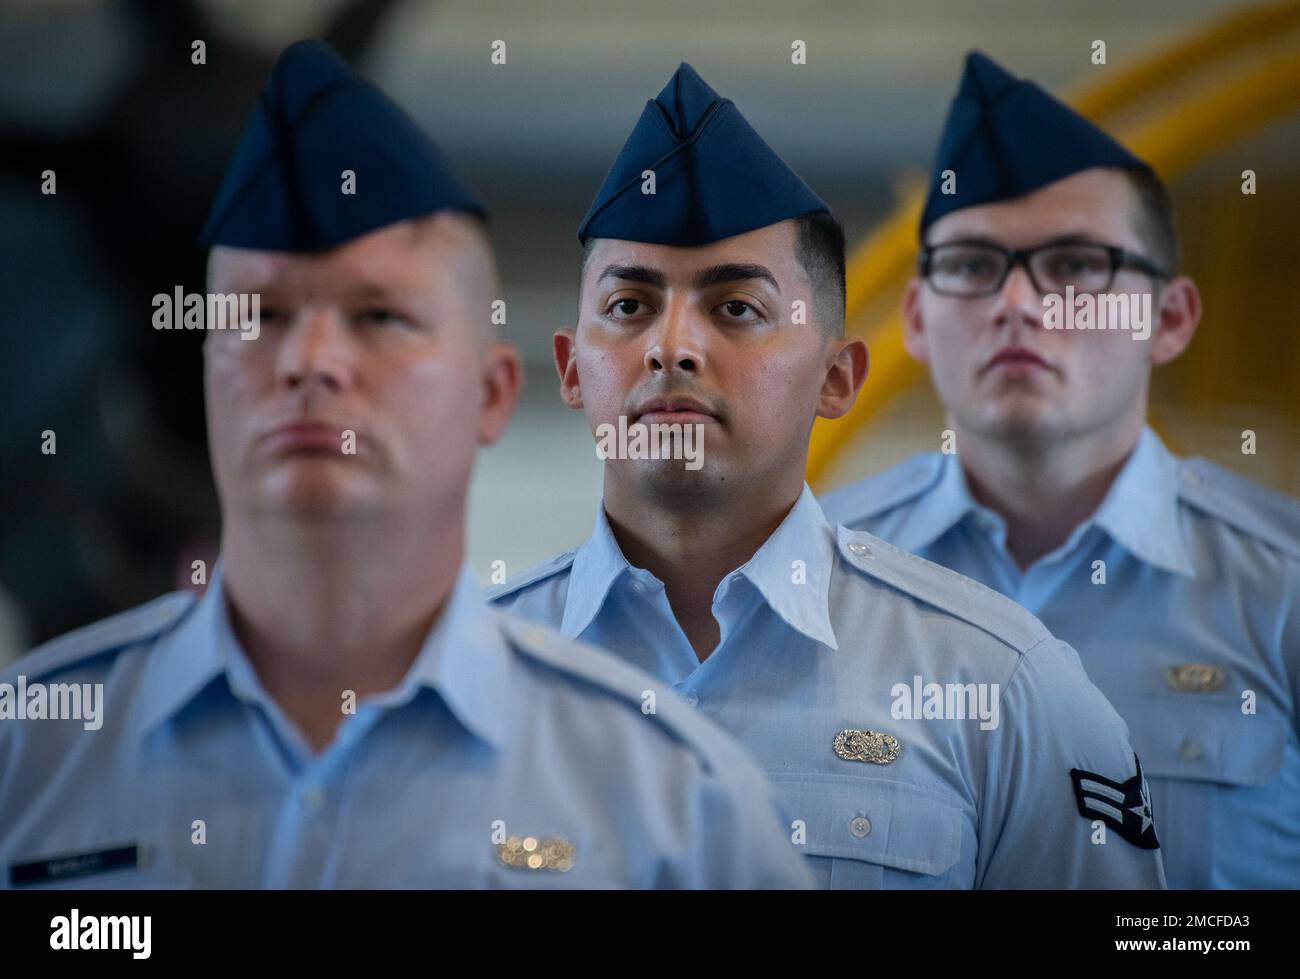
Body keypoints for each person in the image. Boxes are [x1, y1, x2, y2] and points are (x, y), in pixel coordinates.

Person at [0, 40, 811, 890]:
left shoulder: (677, 813)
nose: (310, 360)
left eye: (378, 316)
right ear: (206, 372)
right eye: (263, 314)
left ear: (493, 392)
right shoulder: (31, 758)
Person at [491, 62, 1166, 889]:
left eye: (736, 306)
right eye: (629, 306)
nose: (673, 346)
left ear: (837, 376)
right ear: (570, 368)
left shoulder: (1001, 686)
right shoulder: (456, 685)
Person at [820, 51, 1300, 889]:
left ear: (1171, 317)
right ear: (917, 318)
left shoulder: (1282, 587)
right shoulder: (807, 583)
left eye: (1077, 265)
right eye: (971, 266)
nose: (1019, 303)